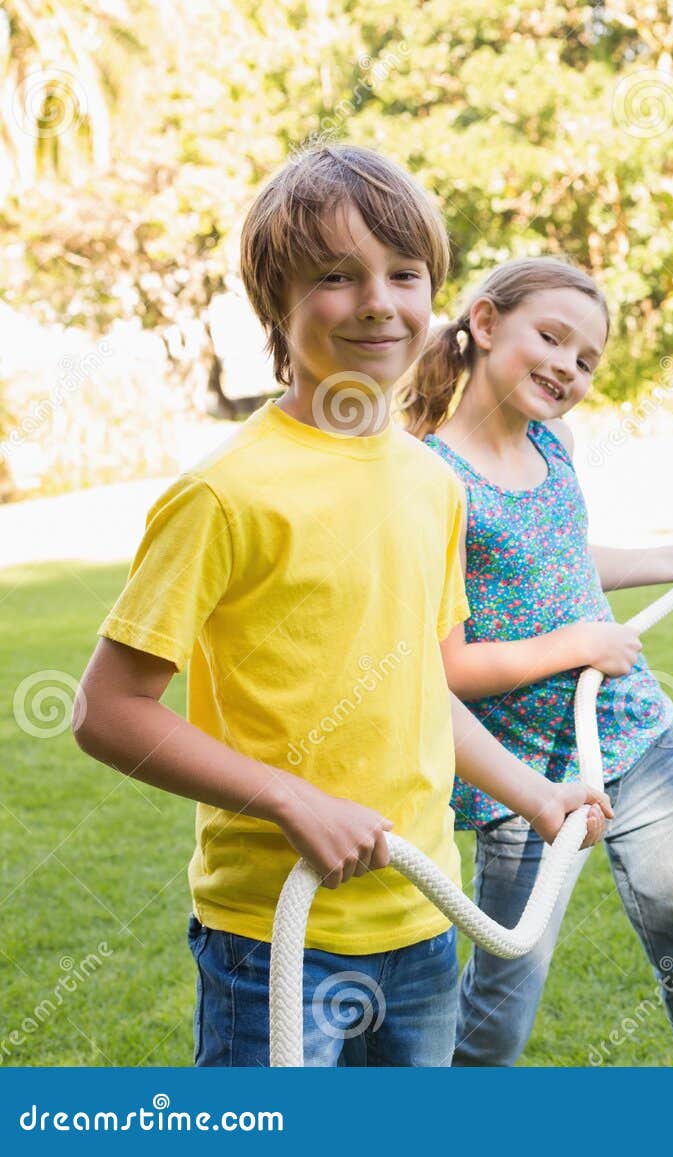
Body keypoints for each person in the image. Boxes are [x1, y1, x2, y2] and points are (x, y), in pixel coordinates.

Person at [71, 146, 608, 1067]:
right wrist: (291, 799)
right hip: (274, 936)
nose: (377, 301)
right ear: (275, 302)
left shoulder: (430, 480)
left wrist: (538, 796)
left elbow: (422, 689)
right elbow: (106, 712)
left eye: (404, 274)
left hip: (421, 912)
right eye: (335, 275)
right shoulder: (226, 494)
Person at [400, 256, 673, 1067]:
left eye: (587, 358)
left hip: (636, 741)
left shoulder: (553, 443)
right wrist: (576, 646)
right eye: (551, 338)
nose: (567, 366)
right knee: (500, 1003)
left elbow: (563, 559)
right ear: (485, 324)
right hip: (523, 777)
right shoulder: (430, 478)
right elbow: (442, 665)